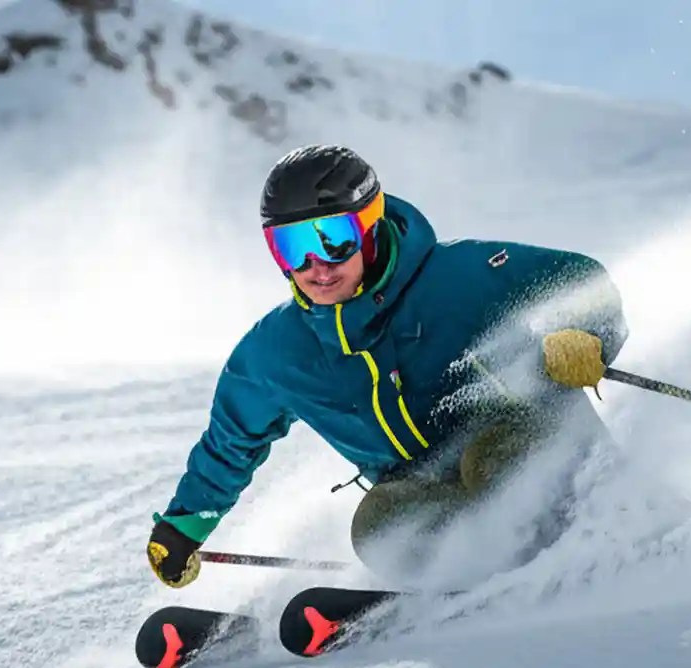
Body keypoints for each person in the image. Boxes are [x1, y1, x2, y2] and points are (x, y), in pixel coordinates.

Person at [147, 144, 628, 588]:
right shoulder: (278, 350)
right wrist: (185, 525)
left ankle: (579, 549)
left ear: (370, 226)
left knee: (492, 459)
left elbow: (580, 280)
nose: (318, 265)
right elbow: (231, 440)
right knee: (379, 526)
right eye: (293, 248)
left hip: (540, 446)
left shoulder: (456, 277)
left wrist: (586, 336)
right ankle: (467, 578)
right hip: (428, 484)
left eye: (334, 239)